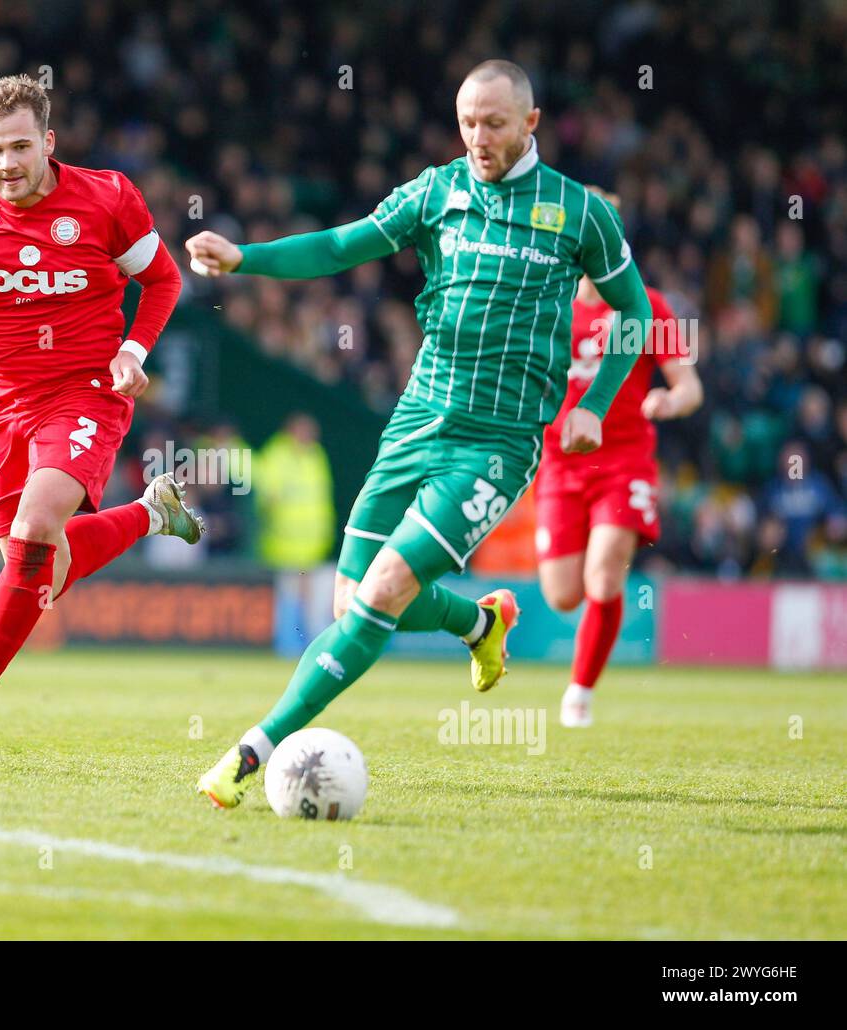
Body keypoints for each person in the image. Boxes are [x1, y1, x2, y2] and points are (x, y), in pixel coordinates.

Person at [185, 59, 652, 808]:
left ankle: (248, 752)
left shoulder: (579, 212)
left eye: (494, 123)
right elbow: (342, 246)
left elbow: (636, 314)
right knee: (352, 604)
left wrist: (596, 402)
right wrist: (248, 259)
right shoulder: (437, 192)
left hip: (497, 444)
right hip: (415, 424)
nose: (478, 137)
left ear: (531, 123)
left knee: (386, 591)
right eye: (467, 122)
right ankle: (478, 619)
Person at [0, 75, 202, 754]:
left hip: (87, 390)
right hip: (1, 402)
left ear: (49, 143)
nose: (7, 163)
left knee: (35, 531)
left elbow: (164, 279)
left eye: (21, 146)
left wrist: (133, 349)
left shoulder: (106, 199)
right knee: (37, 570)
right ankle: (149, 513)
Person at [535, 188, 703, 727]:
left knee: (604, 576)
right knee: (562, 595)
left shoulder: (648, 304)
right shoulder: (547, 303)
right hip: (561, 463)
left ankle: (579, 693)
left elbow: (689, 385)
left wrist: (669, 399)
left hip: (625, 459)